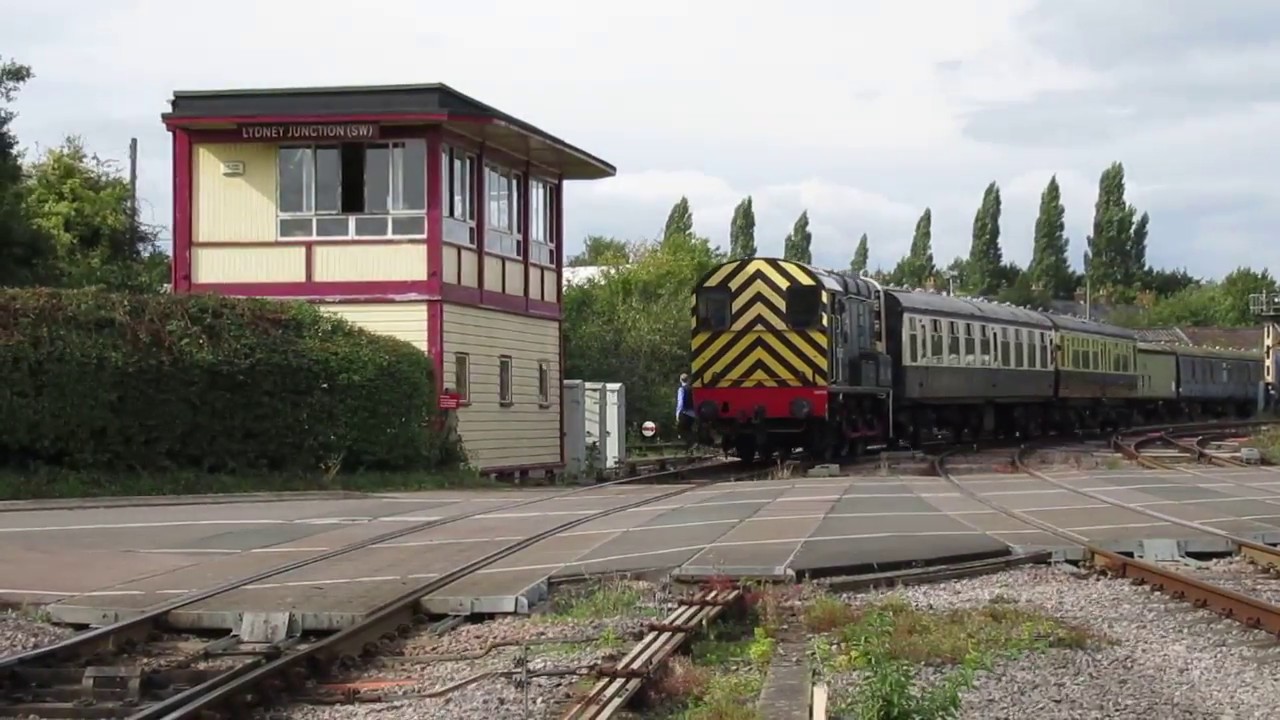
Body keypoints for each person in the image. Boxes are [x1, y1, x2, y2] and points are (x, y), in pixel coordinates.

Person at [675, 372, 696, 448]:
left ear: (681, 380)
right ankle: (692, 445)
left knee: (681, 429)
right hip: (693, 413)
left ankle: (691, 444)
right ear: (688, 380)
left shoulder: (681, 389)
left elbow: (680, 402)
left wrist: (677, 413)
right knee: (688, 429)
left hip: (685, 412)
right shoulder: (692, 389)